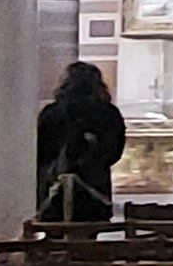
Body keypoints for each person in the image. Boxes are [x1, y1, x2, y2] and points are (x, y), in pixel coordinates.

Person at [35, 62, 128, 222]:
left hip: (54, 187)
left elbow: (40, 152)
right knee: (89, 236)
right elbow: (114, 152)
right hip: (94, 186)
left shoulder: (51, 113)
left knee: (54, 236)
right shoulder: (108, 113)